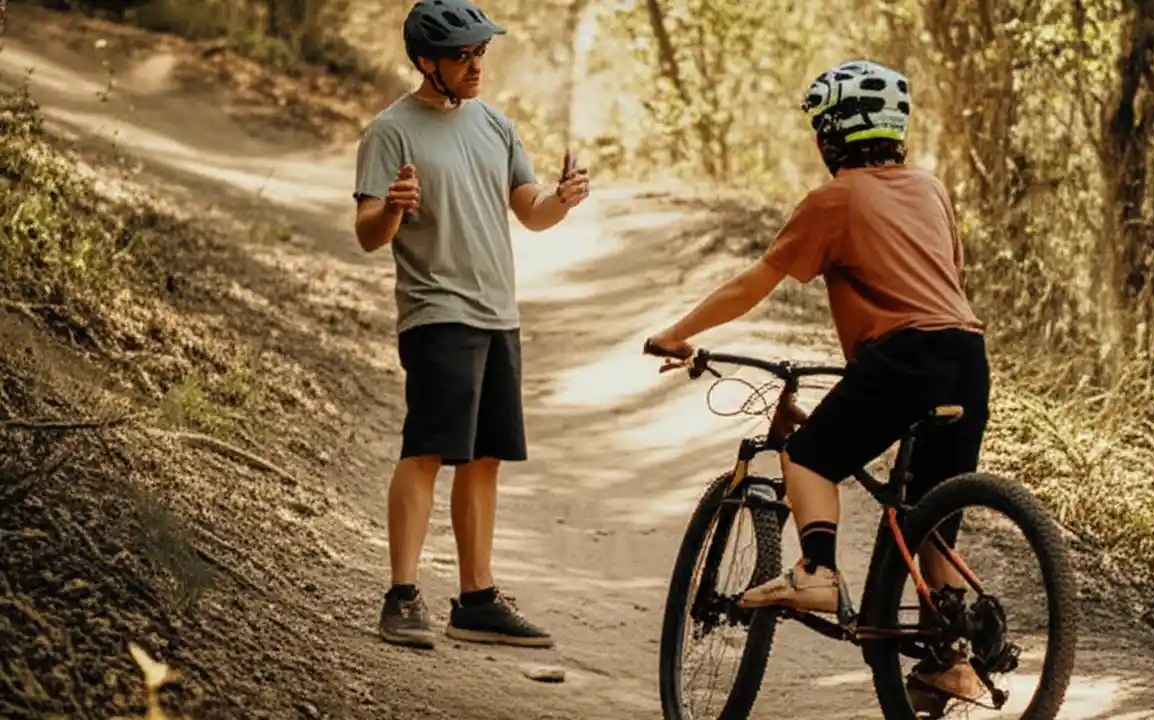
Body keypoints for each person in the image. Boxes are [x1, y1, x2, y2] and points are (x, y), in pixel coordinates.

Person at [643, 60, 989, 704]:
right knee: (931, 506)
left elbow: (755, 281)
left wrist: (679, 332)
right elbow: (945, 278)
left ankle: (818, 570)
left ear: (830, 135)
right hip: (968, 354)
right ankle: (954, 653)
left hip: (903, 355)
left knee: (808, 455)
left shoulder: (834, 199)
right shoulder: (931, 188)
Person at [353, 0, 589, 650]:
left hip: (497, 315)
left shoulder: (494, 124)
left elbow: (529, 209)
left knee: (485, 458)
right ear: (428, 62)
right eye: (463, 55)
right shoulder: (390, 132)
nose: (477, 63)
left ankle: (476, 598)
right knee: (428, 450)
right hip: (437, 314)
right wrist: (393, 210)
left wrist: (561, 201)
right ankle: (401, 597)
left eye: (481, 52)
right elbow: (369, 233)